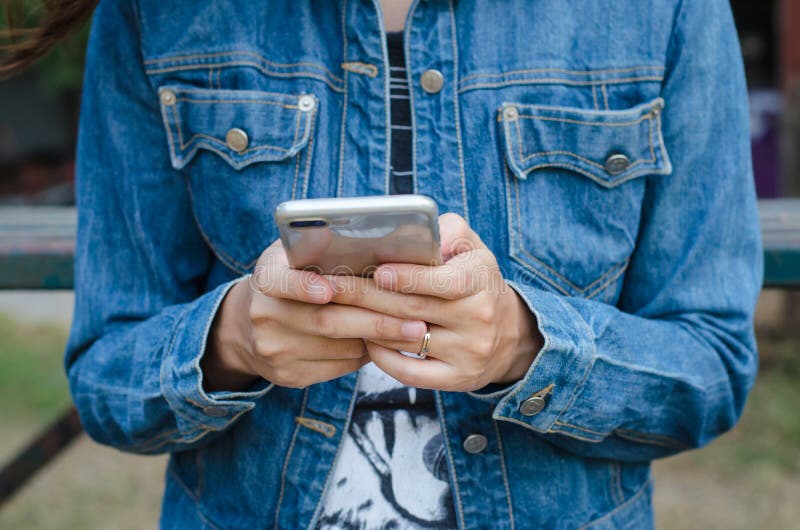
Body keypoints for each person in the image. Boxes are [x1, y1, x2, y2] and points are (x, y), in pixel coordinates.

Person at [2, 0, 763, 528]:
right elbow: (107, 377)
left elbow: (712, 367)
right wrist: (231, 341)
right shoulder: (159, 13)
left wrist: (524, 346)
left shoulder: (667, 11)